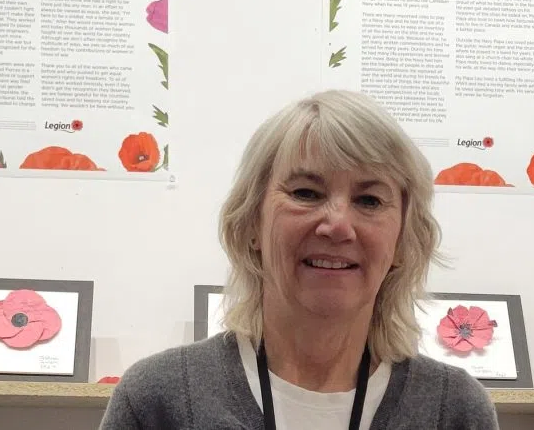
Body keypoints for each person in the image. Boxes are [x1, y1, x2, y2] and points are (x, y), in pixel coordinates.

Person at [99, 90, 500, 430]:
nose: (338, 225)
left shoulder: (455, 411)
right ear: (251, 221)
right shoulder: (157, 402)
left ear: (402, 240)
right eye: (306, 193)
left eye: (369, 200)